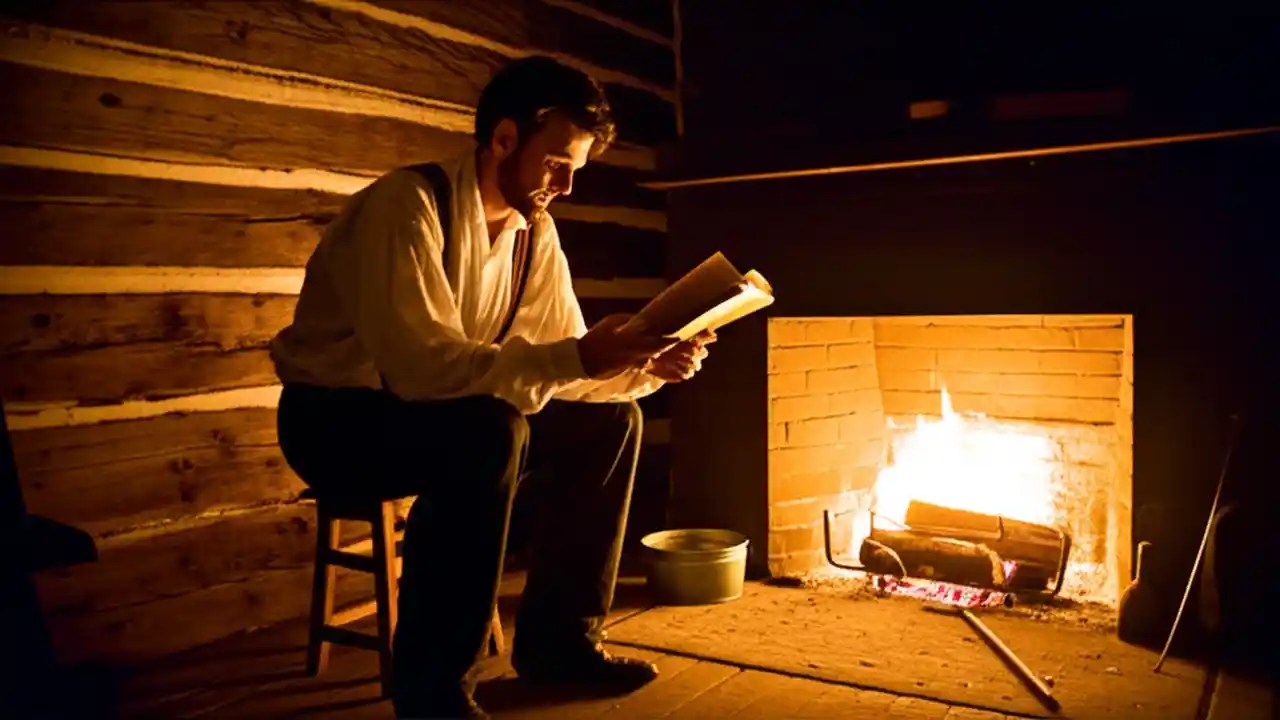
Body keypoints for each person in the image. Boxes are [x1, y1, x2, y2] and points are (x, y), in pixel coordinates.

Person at [270, 56, 714, 719]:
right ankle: (434, 690)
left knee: (612, 425)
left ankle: (561, 644)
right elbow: (420, 369)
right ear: (504, 138)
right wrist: (579, 356)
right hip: (336, 419)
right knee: (488, 432)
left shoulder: (535, 233)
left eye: (575, 170)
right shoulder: (407, 206)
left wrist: (642, 364)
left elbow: (559, 364)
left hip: (447, 410)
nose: (565, 187)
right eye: (556, 164)